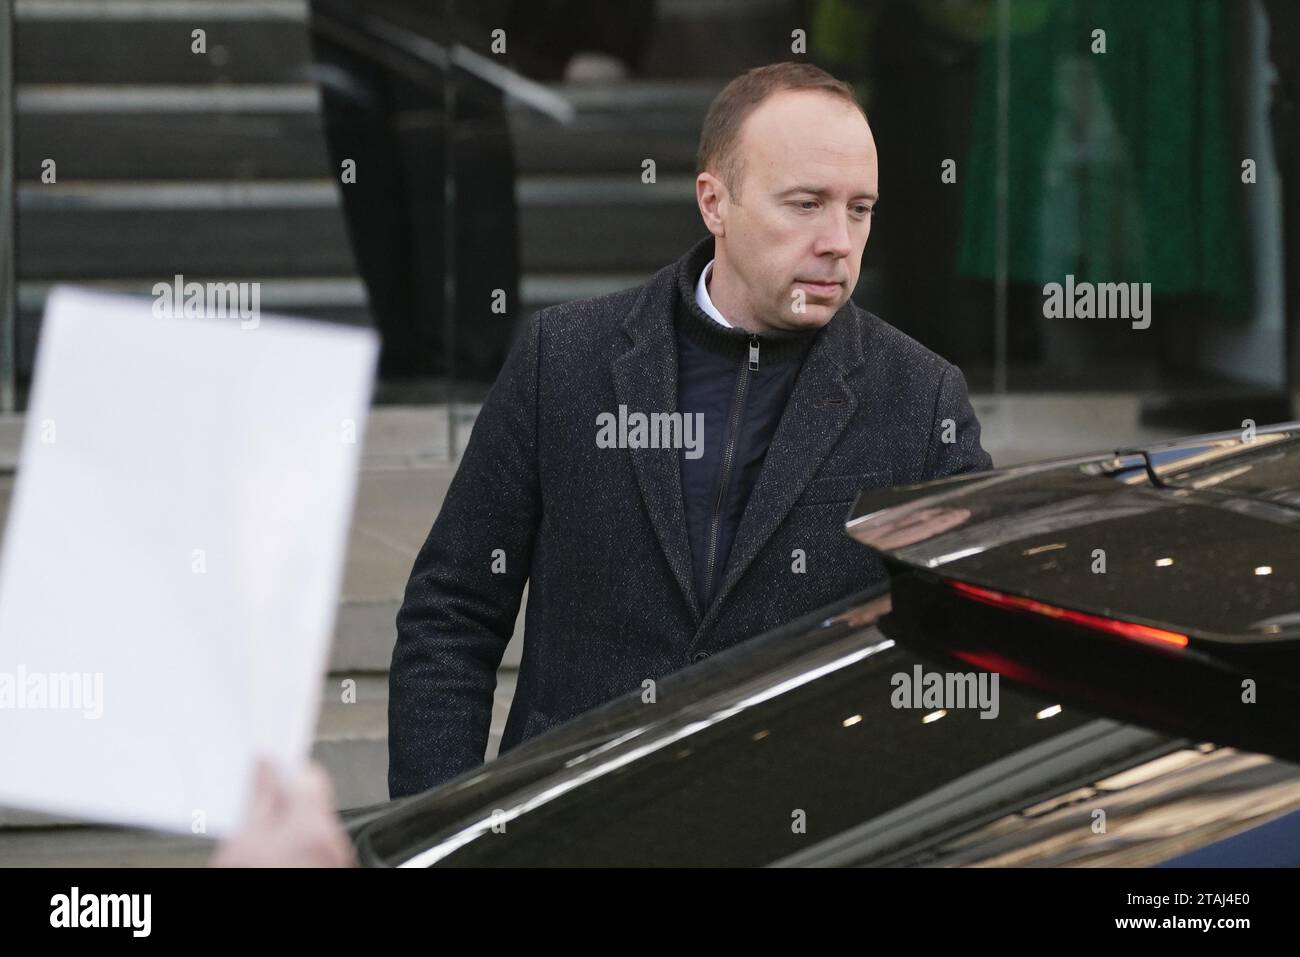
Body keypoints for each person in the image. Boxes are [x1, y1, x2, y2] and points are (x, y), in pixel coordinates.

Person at [388, 62, 994, 798]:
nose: (838, 239)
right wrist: (441, 833)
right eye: (805, 203)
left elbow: (968, 656)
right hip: (574, 832)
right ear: (716, 201)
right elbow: (451, 613)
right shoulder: (565, 359)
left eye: (859, 208)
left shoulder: (921, 396)